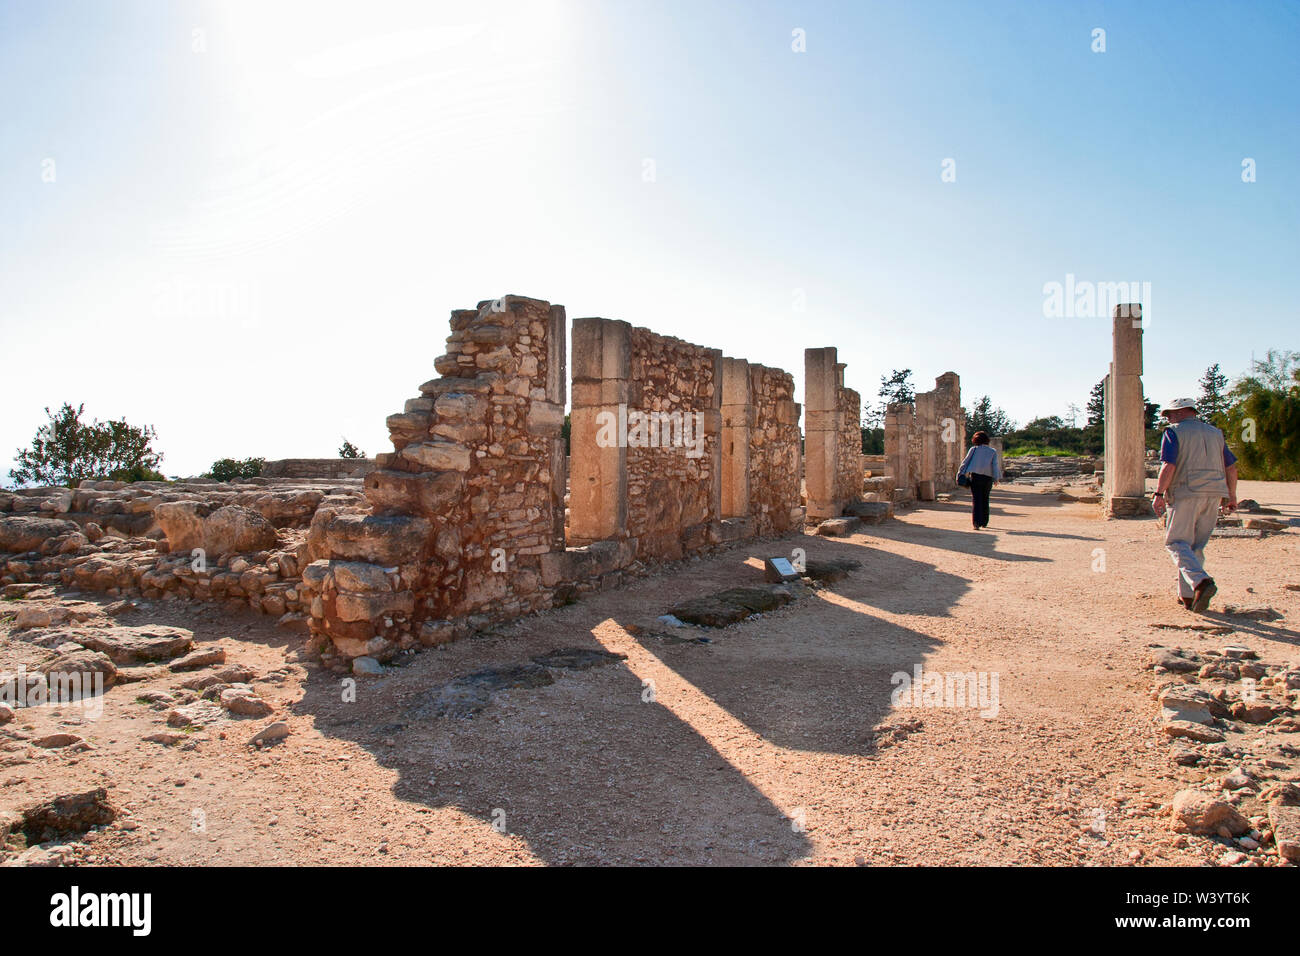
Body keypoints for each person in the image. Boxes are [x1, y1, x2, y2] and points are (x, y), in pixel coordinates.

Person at [1151, 398, 1238, 612]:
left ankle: (1200, 581)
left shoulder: (1174, 432)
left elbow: (1169, 465)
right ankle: (1189, 596)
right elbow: (1231, 467)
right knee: (1195, 547)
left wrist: (1159, 493)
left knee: (1176, 542)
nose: (1168, 418)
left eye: (1169, 414)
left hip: (1186, 492)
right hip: (1214, 493)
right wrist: (1232, 495)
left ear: (1182, 412)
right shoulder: (1216, 433)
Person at [957, 431, 1002, 530]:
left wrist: (960, 473)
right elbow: (994, 465)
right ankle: (984, 522)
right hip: (987, 478)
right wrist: (996, 478)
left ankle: (976, 523)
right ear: (987, 440)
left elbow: (965, 462)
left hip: (976, 477)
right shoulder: (992, 451)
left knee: (976, 500)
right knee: (985, 499)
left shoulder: (973, 449)